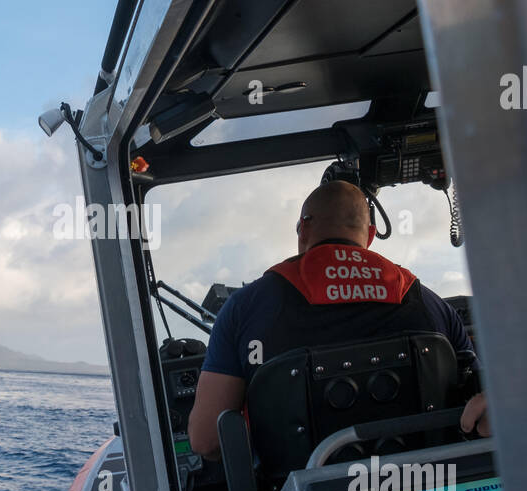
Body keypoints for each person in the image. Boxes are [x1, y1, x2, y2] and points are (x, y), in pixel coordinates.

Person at [187, 180, 490, 457]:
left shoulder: (245, 308)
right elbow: (483, 409)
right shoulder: (429, 304)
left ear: (303, 229)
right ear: (370, 235)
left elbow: (207, 440)